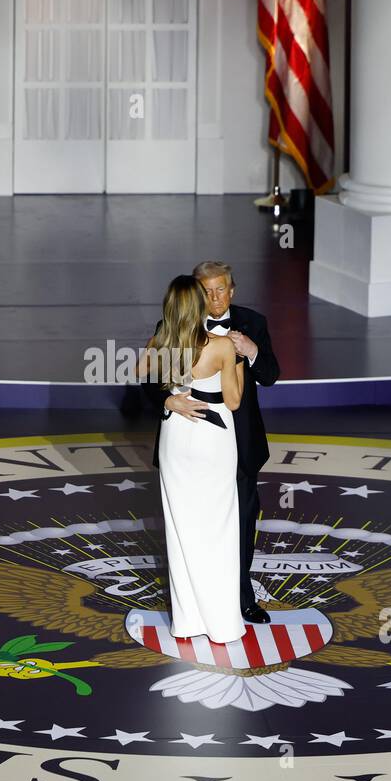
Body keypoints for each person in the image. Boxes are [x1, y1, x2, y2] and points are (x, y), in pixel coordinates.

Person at [140, 260, 280, 626]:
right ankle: (199, 608)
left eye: (222, 289)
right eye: (207, 290)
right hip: (190, 438)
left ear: (232, 290)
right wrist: (167, 400)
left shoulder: (253, 323)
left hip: (239, 443)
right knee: (191, 521)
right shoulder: (170, 327)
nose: (215, 297)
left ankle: (241, 598)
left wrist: (250, 352)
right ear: (196, 293)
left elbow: (270, 376)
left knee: (240, 521)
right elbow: (144, 380)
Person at [138, 275, 245, 643]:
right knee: (219, 527)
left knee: (180, 526)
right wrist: (241, 361)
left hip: (176, 436)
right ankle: (222, 625)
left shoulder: (160, 342)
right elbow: (233, 401)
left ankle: (188, 623)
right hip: (213, 439)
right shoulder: (221, 347)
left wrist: (170, 398)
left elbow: (138, 379)